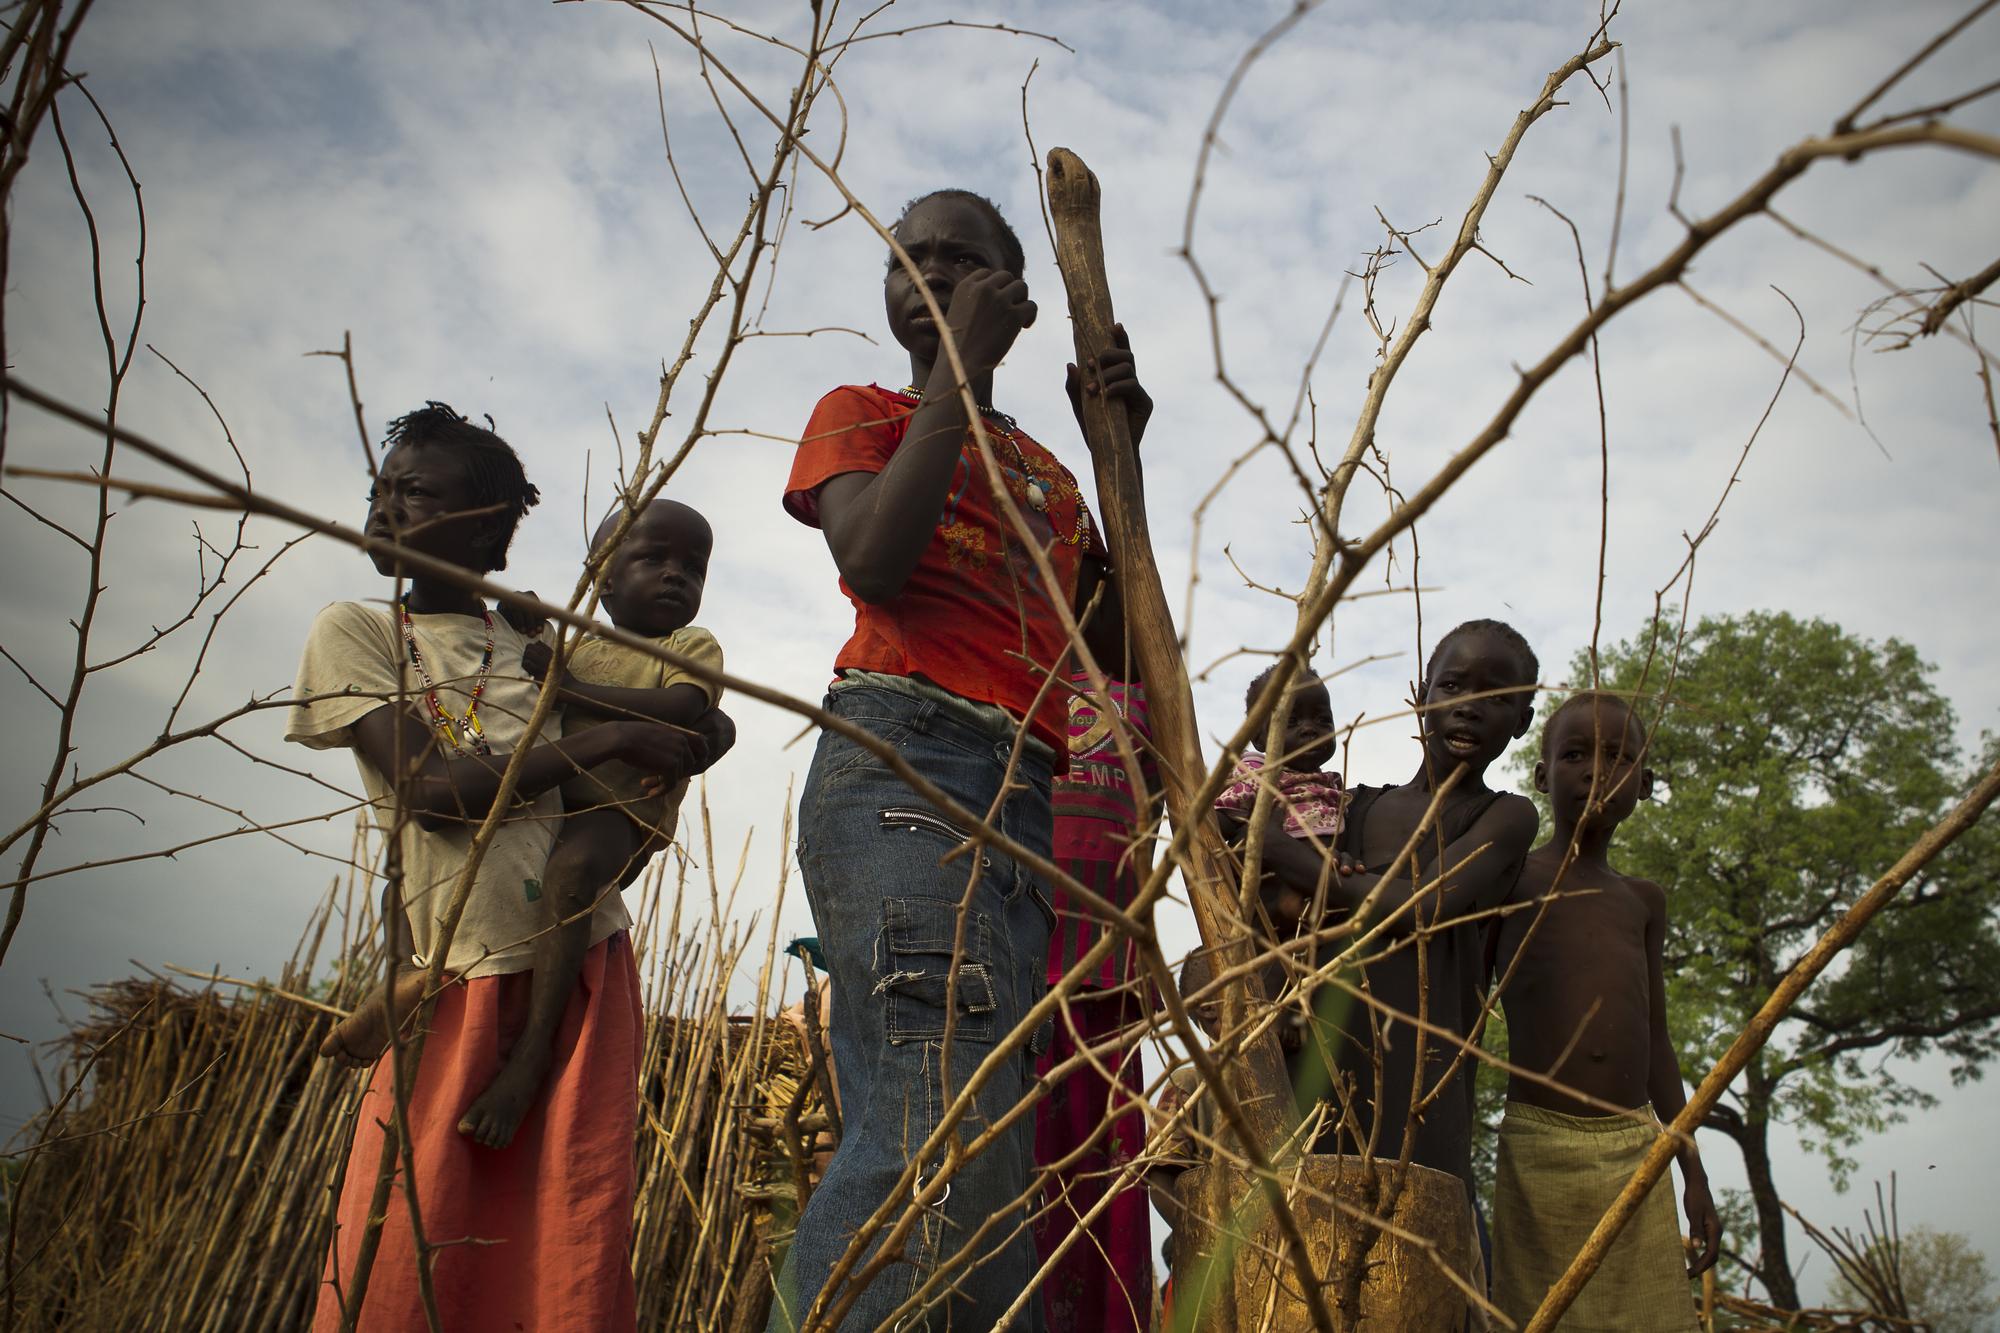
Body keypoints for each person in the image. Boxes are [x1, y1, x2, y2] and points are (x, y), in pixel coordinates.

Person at [770, 187, 1151, 1332]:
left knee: (984, 1137)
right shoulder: (865, 413)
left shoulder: (1049, 476)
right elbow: (874, 561)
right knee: (929, 1110)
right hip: (903, 765)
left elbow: (1115, 656)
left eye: (959, 258)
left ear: (1018, 297)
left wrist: (1120, 458)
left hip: (1022, 793)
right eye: (908, 259)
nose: (928, 273)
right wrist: (957, 373)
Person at [289, 403, 717, 1331]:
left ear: (487, 529)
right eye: (381, 488)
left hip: (580, 968)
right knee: (407, 1247)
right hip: (459, 971)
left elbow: (690, 720)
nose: (386, 507)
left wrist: (691, 733)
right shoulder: (359, 633)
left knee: (563, 1255)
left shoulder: (531, 645)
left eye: (416, 492)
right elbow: (431, 792)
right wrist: (609, 735)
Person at [455, 496, 729, 1149]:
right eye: (653, 559)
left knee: (573, 873)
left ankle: (534, 1052)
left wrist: (570, 690)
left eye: (693, 568)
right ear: (602, 580)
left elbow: (681, 707)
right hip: (548, 805)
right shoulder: (574, 643)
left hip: (620, 810)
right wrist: (523, 611)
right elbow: (524, 653)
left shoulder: (689, 645)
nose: (676, 575)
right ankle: (405, 984)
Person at [1488, 692, 1720, 1330]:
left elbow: (1656, 1043)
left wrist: (1691, 1168)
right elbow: (1459, 1006)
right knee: (1538, 1315)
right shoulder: (1511, 882)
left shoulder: (1643, 902)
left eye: (1619, 758)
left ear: (1644, 784)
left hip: (1636, 1151)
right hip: (1537, 1148)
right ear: (1542, 777)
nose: (1597, 770)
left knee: (1652, 1316)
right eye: (1575, 754)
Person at [1035, 669, 1158, 1332]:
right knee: (1026, 1170)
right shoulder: (1025, 668)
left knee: (1106, 1178)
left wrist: (1150, 956)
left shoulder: (1147, 694)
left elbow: (1162, 820)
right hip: (1024, 962)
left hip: (1110, 975)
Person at [1214, 664, 1345, 940]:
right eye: (1291, 721)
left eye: (1323, 720)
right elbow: (1220, 821)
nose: (1310, 729)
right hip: (1272, 887)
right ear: (1259, 738)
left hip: (1323, 894)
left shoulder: (1331, 784)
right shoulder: (1258, 773)